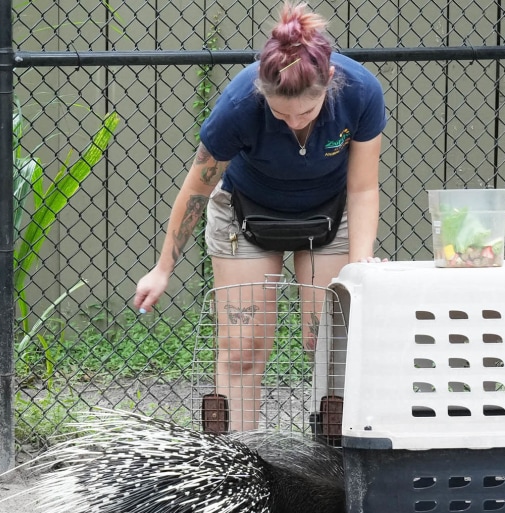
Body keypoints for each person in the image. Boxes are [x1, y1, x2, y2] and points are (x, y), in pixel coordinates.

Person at [133, 2, 387, 432]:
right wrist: (162, 268)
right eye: (280, 113)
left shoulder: (361, 91)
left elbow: (362, 188)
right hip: (245, 214)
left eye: (305, 113)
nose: (293, 123)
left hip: (330, 216)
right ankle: (238, 463)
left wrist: (359, 265)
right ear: (262, 94)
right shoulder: (238, 103)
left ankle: (338, 467)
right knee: (241, 348)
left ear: (329, 82)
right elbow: (197, 188)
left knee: (327, 344)